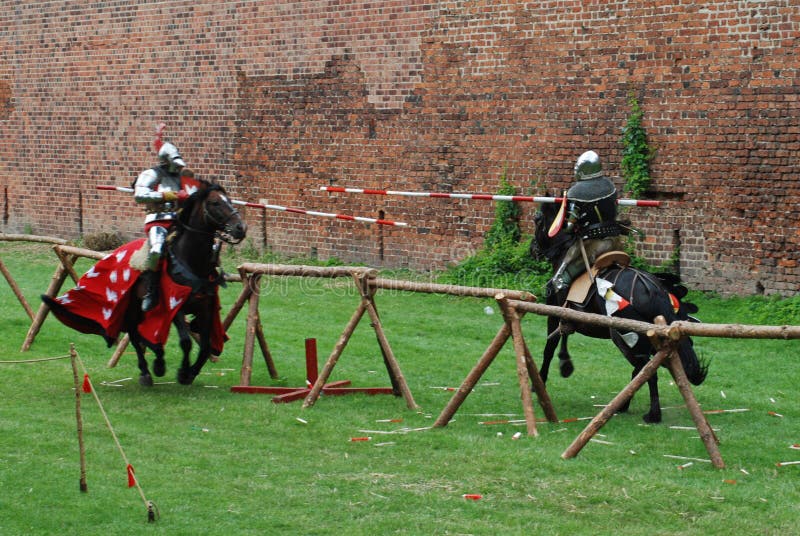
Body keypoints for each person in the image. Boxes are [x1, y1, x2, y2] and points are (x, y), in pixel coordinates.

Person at [546, 150, 626, 298]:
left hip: (592, 246)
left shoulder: (577, 192)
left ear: (582, 171)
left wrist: (570, 227)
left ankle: (565, 316)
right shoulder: (609, 186)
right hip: (616, 243)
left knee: (559, 280)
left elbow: (569, 227)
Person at [133, 140, 189, 312]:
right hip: (158, 220)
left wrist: (190, 196)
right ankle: (151, 289)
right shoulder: (151, 174)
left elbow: (193, 194)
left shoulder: (181, 177)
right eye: (174, 164)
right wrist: (167, 195)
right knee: (157, 249)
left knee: (206, 240)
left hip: (180, 220)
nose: (177, 168)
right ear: (166, 161)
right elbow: (140, 194)